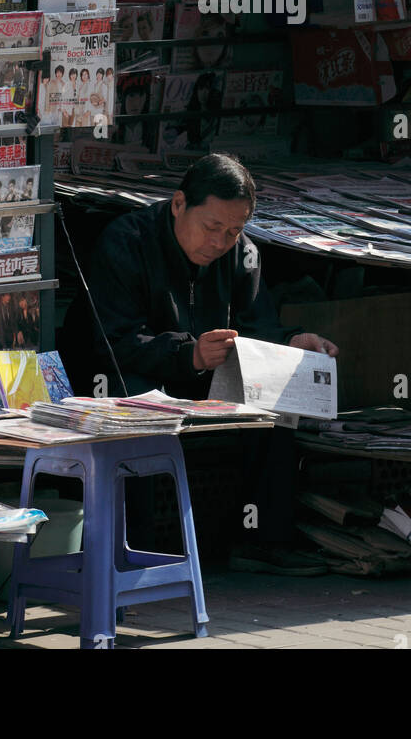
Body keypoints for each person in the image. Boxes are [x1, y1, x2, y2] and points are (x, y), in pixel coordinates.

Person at [59, 153, 338, 576]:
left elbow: (256, 326)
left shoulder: (242, 254)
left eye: (233, 231)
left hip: (203, 380)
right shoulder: (126, 242)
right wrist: (186, 354)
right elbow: (111, 341)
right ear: (178, 205)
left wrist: (292, 340)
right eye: (212, 228)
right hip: (124, 375)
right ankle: (135, 553)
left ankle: (263, 540)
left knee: (279, 398)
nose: (220, 242)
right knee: (132, 399)